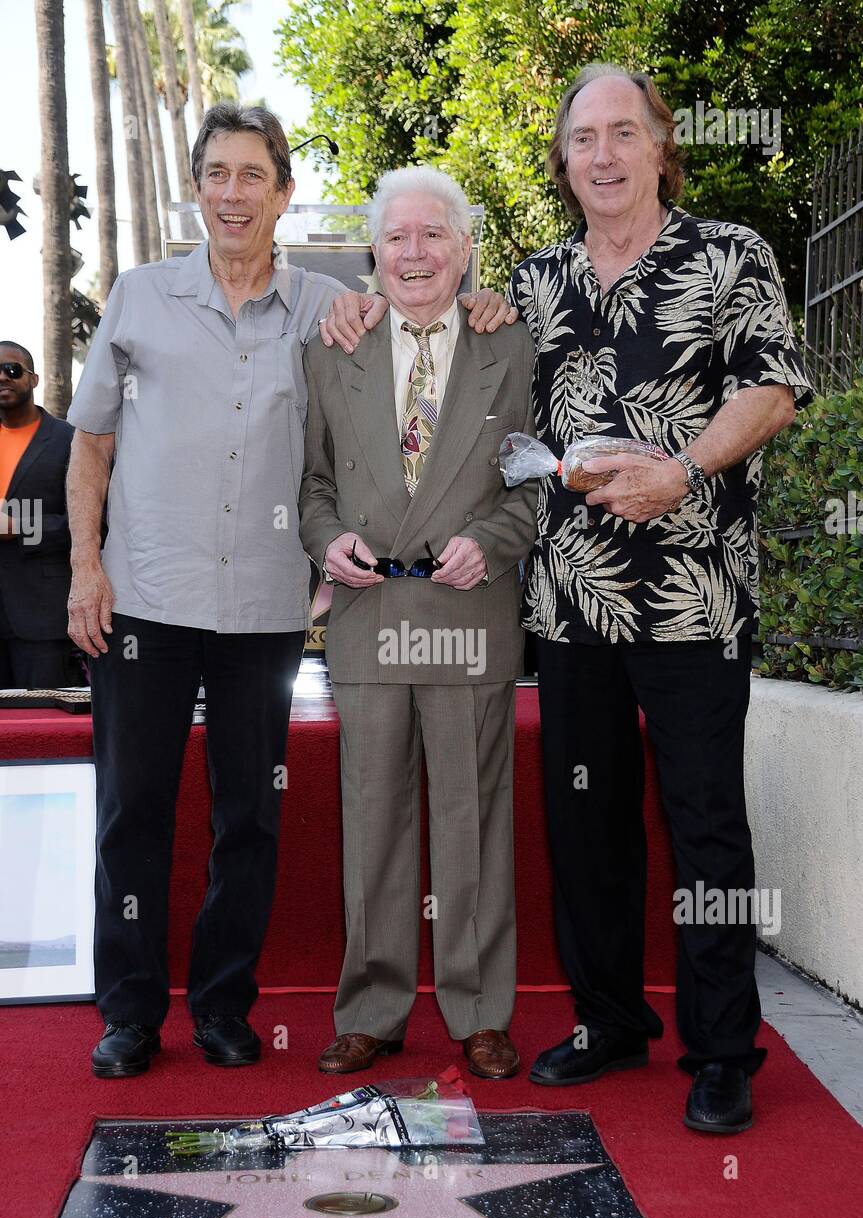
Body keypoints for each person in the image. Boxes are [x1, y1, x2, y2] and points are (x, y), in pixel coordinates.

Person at [66, 103, 514, 1079]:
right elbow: (90, 443)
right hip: (143, 597)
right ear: (197, 188)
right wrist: (84, 569)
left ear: (283, 194)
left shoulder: (326, 309)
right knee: (130, 812)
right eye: (217, 175)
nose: (233, 194)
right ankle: (130, 1013)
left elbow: (418, 319)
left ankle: (224, 1004)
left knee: (249, 816)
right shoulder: (138, 298)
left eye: (252, 177)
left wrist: (483, 301)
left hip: (265, 610)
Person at [507, 65, 813, 1131]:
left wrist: (681, 469)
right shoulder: (532, 280)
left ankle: (722, 1045)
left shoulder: (730, 255)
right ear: (563, 157)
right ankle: (605, 1019)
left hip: (695, 596)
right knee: (584, 820)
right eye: (582, 137)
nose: (602, 154)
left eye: (622, 133)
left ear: (658, 145)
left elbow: (770, 388)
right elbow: (487, 405)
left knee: (705, 823)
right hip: (569, 604)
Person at [299, 167, 538, 1080]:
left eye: (432, 235)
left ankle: (480, 1011)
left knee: (473, 816)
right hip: (367, 616)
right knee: (373, 818)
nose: (413, 253)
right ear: (373, 251)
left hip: (468, 614)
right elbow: (312, 487)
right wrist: (326, 543)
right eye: (395, 237)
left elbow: (532, 478)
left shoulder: (509, 344)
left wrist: (492, 541)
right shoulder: (332, 349)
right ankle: (372, 1009)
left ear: (464, 249)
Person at [0, 342, 77, 688]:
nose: (3, 377)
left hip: (41, 618)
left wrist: (20, 526)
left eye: (12, 370)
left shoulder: (69, 441)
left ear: (33, 379)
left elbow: (93, 523)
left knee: (42, 726)